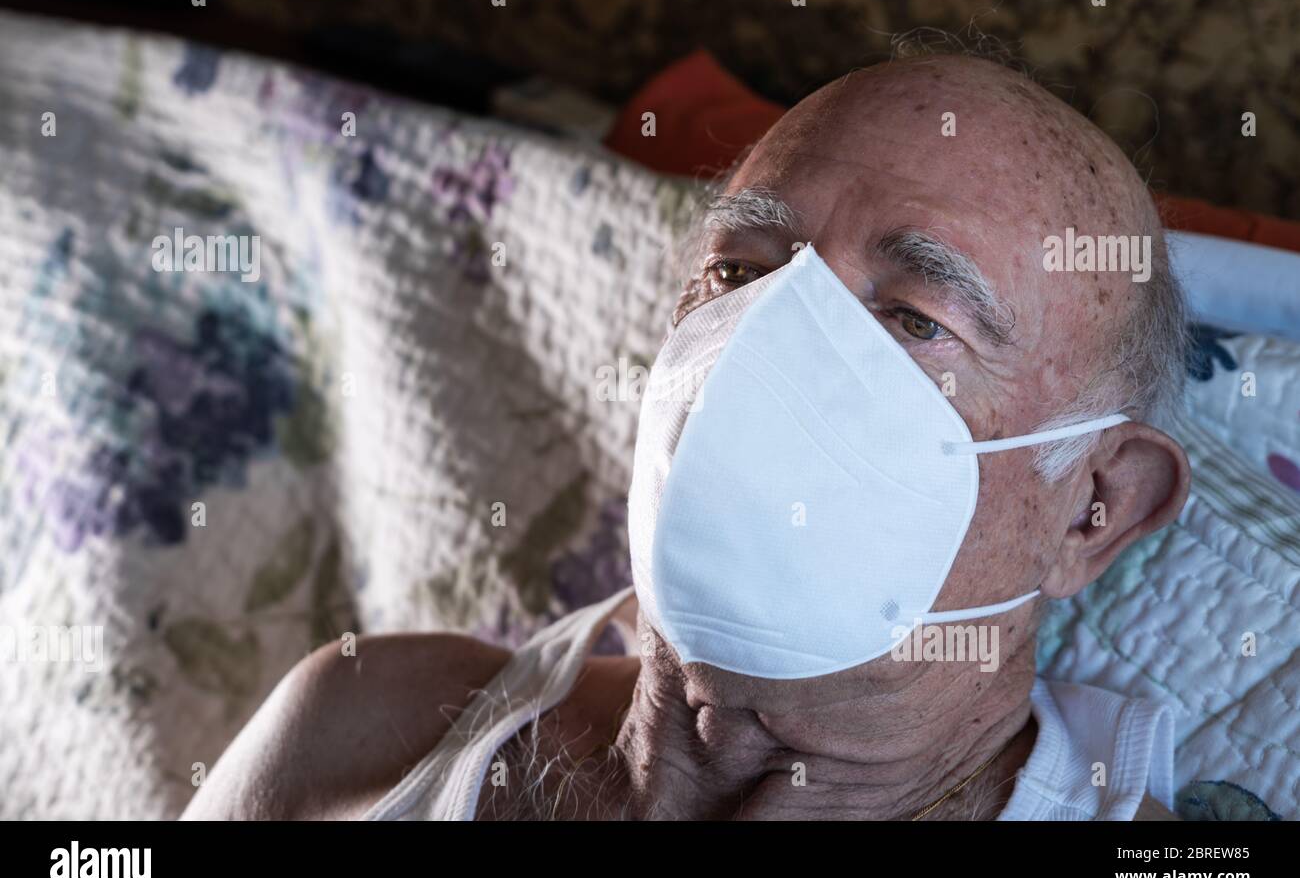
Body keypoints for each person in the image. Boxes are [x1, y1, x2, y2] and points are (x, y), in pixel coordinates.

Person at [182, 44, 1191, 822]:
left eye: (916, 319)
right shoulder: (363, 726)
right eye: (739, 274)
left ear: (1093, 514)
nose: (769, 347)